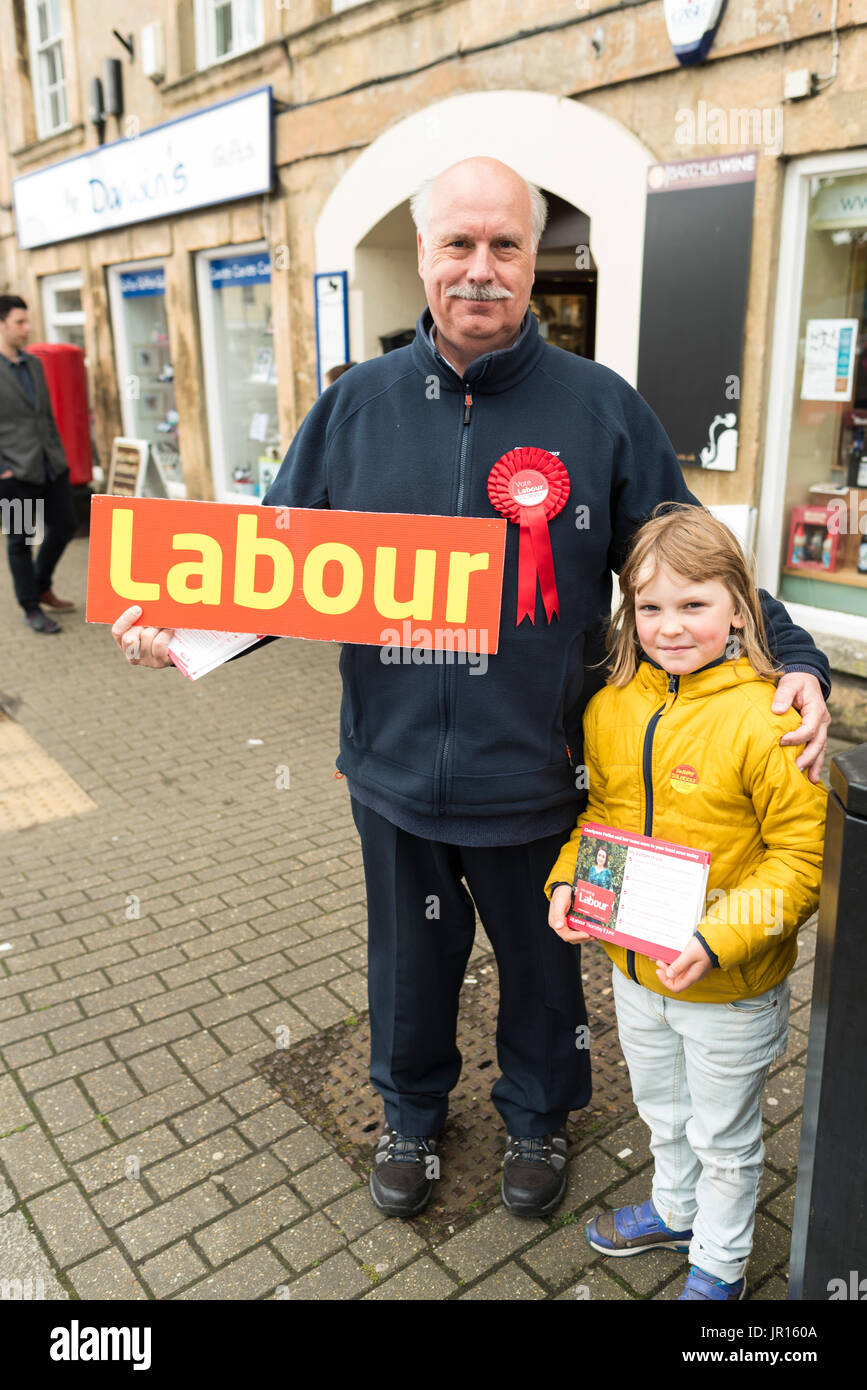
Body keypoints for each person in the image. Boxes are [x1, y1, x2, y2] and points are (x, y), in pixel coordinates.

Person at [111, 156, 832, 1223]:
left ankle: (540, 1115)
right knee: (408, 964)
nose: (482, 269)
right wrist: (178, 627)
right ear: (423, 254)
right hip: (393, 772)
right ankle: (411, 1113)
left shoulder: (600, 410)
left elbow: (694, 564)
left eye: (505, 246)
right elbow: (270, 565)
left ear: (532, 259)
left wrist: (801, 659)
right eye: (459, 244)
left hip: (540, 779)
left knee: (545, 972)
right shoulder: (354, 406)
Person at [546, 505, 827, 1299]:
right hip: (635, 972)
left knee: (724, 1138)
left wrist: (717, 936)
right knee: (661, 1113)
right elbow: (599, 816)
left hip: (727, 988)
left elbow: (801, 860)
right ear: (628, 614)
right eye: (650, 608)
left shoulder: (770, 718)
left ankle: (721, 1263)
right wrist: (567, 881)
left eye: (693, 605)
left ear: (739, 607)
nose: (670, 627)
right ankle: (674, 1210)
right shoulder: (611, 707)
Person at [0, 295, 77, 634]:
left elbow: (46, 416)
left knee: (65, 525)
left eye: (27, 321)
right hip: (14, 476)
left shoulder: (34, 364)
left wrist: (59, 457)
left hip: (51, 466)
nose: (26, 328)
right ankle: (31, 608)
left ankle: (40, 583)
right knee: (19, 539)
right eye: (19, 322)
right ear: (1, 324)